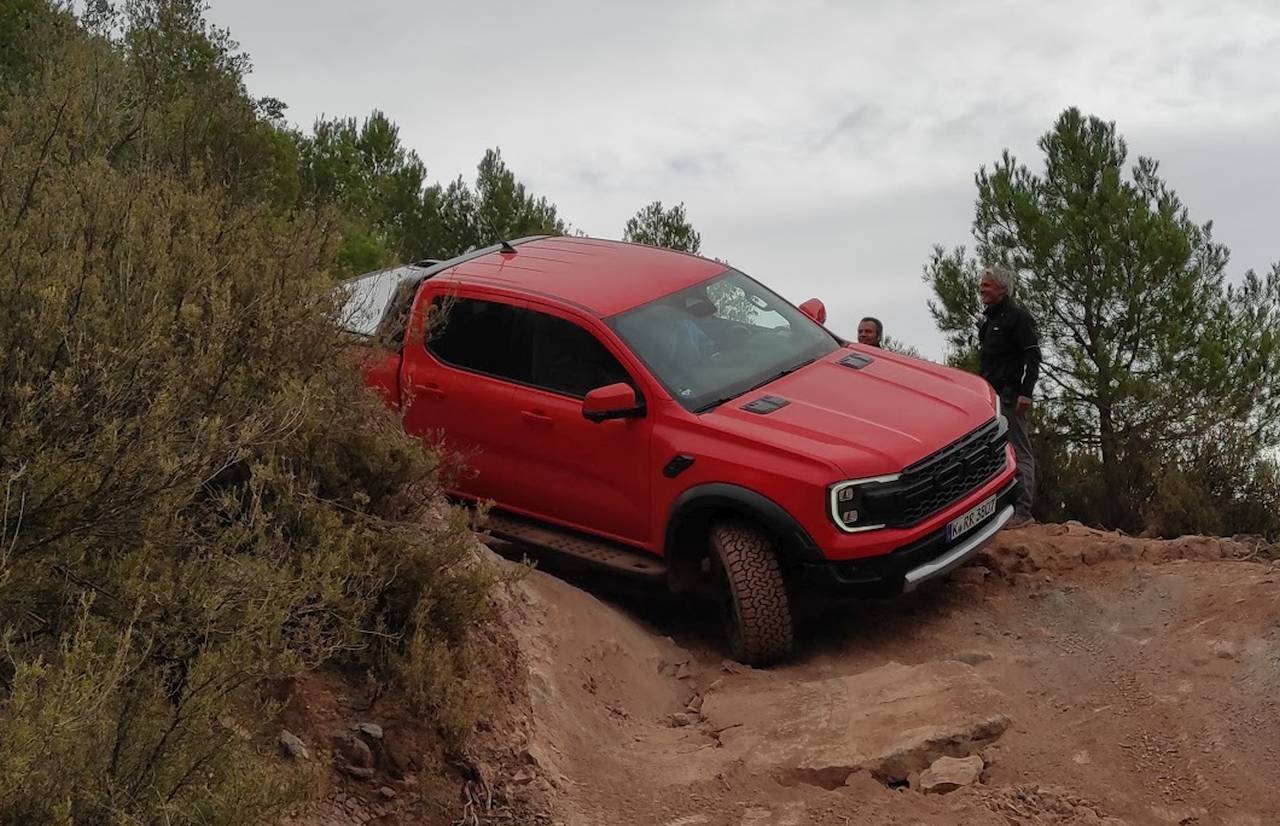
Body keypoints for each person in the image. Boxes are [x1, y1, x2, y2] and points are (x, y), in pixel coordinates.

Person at [977, 266, 1040, 528]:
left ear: (1002, 289)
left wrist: (1026, 392)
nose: (982, 289)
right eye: (981, 285)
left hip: (1011, 396)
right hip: (989, 398)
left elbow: (1033, 356)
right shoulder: (989, 321)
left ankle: (1023, 511)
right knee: (994, 452)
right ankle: (998, 509)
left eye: (987, 285)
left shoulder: (1018, 317)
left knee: (1019, 450)